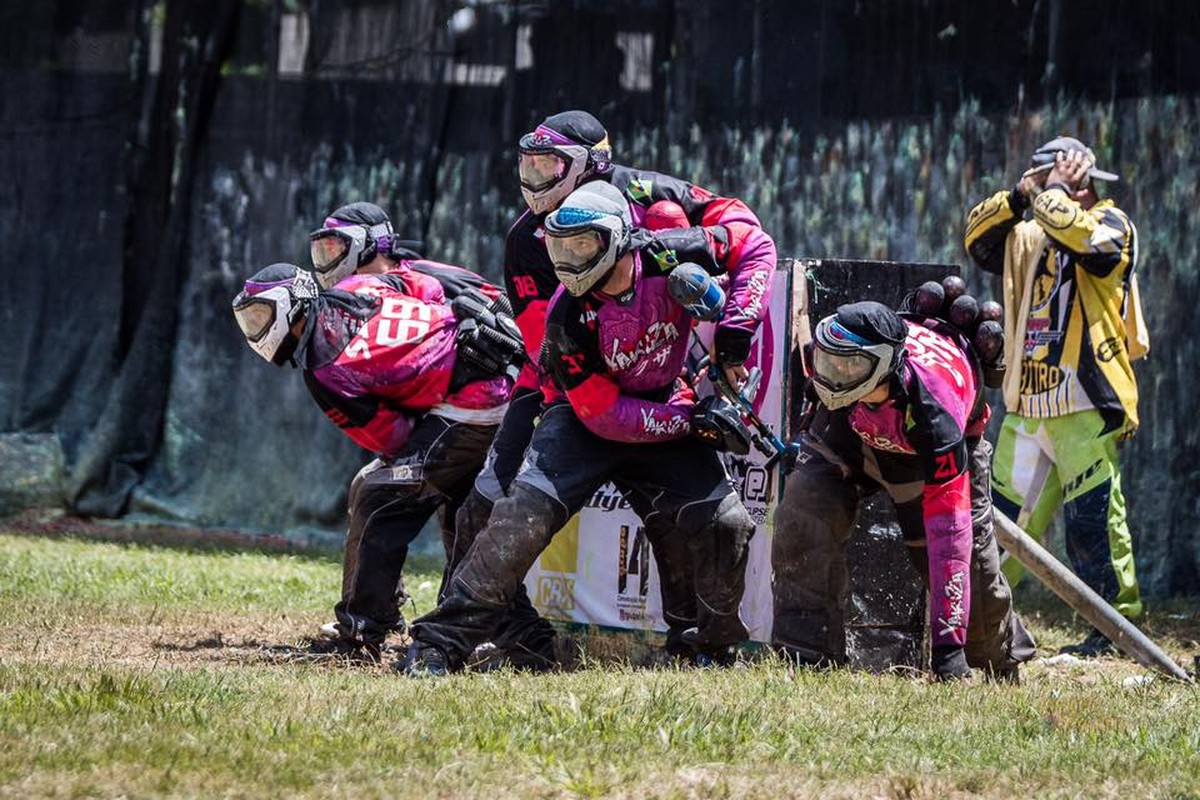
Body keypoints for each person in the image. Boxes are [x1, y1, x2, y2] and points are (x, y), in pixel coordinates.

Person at [403, 179, 777, 675]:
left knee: (725, 524)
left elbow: (756, 245)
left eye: (584, 245)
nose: (570, 260)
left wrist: (734, 338)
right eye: (561, 246)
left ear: (620, 237)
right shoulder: (566, 315)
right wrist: (689, 419)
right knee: (521, 519)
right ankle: (438, 644)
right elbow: (604, 415)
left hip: (663, 401)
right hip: (581, 422)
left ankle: (706, 649)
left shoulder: (672, 253)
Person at [231, 252, 540, 662]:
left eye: (260, 316)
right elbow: (424, 288)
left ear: (292, 303)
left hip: (471, 405)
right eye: (249, 321)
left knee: (379, 497)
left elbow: (389, 435)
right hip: (501, 380)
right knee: (452, 509)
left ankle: (361, 631)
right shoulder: (355, 287)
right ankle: (521, 638)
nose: (257, 331)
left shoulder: (322, 368)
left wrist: (425, 382)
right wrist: (435, 342)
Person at [772, 300, 1036, 681]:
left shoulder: (935, 414)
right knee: (804, 509)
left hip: (923, 456)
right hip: (851, 433)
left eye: (848, 365)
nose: (831, 373)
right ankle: (807, 655)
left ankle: (1001, 659)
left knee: (968, 567)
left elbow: (951, 538)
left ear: (882, 365)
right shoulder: (841, 381)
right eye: (828, 360)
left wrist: (948, 649)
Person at [964, 136, 1148, 657]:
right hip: (1028, 403)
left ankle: (1115, 631)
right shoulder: (1027, 230)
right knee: (996, 520)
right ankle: (975, 618)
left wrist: (1057, 191)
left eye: (1083, 181)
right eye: (1075, 180)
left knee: (1094, 523)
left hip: (1086, 402)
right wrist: (1021, 197)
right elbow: (976, 239)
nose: (1086, 190)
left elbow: (1088, 241)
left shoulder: (1113, 224)